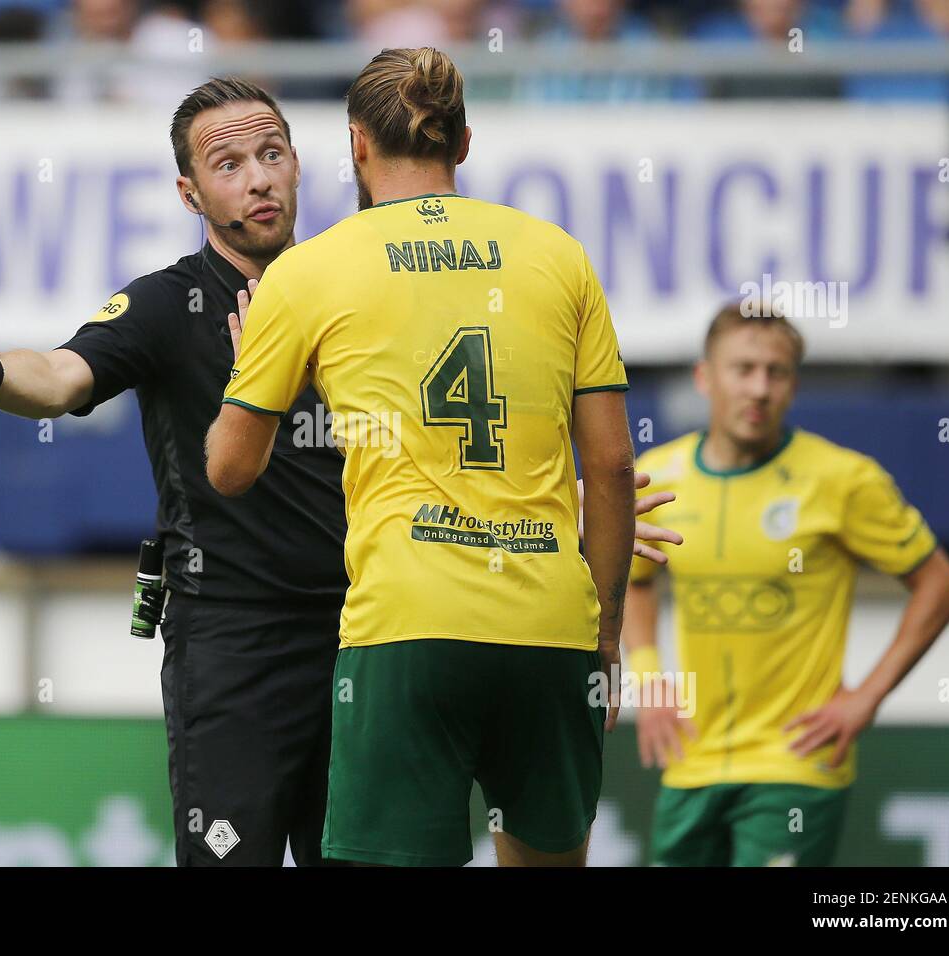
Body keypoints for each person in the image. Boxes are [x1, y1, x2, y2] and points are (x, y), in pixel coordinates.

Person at [0, 74, 676, 867]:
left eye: (272, 153)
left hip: (364, 632)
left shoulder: (353, 282)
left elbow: (437, 440)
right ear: (189, 192)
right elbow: (63, 376)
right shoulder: (171, 306)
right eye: (229, 165)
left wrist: (560, 500)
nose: (260, 177)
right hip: (236, 642)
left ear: (306, 163)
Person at [207, 47, 638, 867]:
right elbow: (612, 467)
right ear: (464, 142)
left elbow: (231, 470)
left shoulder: (308, 272)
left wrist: (257, 375)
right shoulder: (558, 254)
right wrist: (606, 634)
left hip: (406, 626)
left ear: (356, 145)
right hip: (550, 625)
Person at [621, 303, 949, 866]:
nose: (759, 388)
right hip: (692, 760)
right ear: (705, 377)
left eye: (776, 372)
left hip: (794, 763)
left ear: (793, 386)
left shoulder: (843, 480)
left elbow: (941, 585)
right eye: (744, 368)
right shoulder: (661, 476)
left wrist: (866, 697)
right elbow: (636, 579)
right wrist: (650, 679)